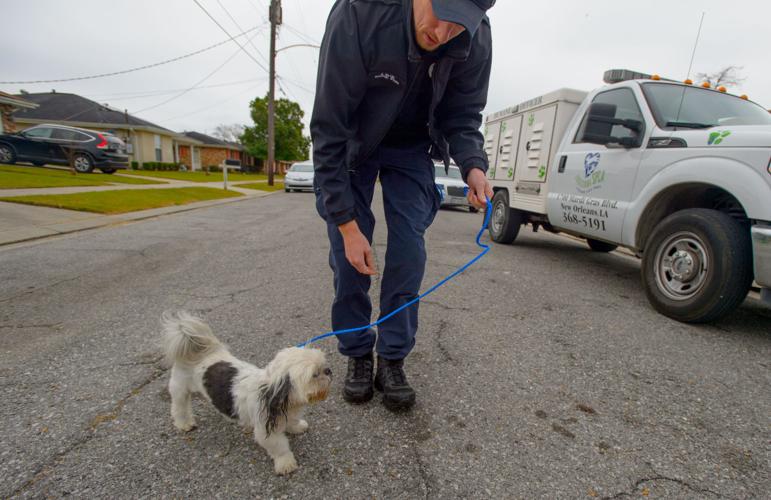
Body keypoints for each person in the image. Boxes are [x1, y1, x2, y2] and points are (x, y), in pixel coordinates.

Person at [310, 0, 495, 411]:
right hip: (353, 140)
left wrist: (473, 166)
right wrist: (346, 224)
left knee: (409, 249)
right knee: (350, 256)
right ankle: (357, 351)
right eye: (442, 15)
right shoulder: (359, 13)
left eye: (459, 25)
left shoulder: (477, 34)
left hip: (412, 146)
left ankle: (392, 357)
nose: (443, 33)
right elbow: (328, 127)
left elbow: (463, 116)